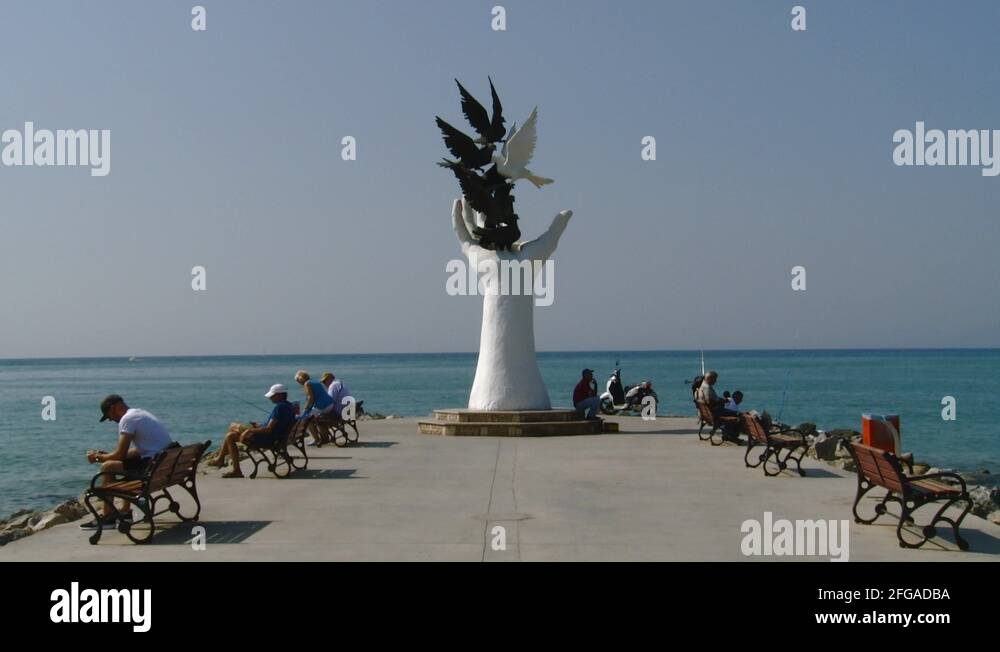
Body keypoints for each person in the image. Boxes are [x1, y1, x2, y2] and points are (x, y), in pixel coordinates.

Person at [80, 394, 177, 530]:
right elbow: (137, 451)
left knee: (107, 467)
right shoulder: (140, 414)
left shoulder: (127, 419)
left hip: (152, 467)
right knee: (128, 463)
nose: (111, 420)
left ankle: (108, 517)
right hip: (164, 464)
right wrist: (108, 455)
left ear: (113, 408)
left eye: (109, 416)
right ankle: (125, 512)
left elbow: (120, 455)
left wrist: (97, 458)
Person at [211, 384, 297, 478]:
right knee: (231, 434)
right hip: (276, 437)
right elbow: (274, 425)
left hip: (266, 439)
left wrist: (249, 430)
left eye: (272, 395)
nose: (270, 398)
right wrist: (259, 425)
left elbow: (268, 429)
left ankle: (229, 465)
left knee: (231, 430)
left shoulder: (279, 407)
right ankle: (223, 460)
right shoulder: (289, 406)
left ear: (280, 395)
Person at [697, 371, 740, 441]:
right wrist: (722, 401)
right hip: (713, 413)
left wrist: (721, 400)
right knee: (736, 414)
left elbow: (712, 399)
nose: (716, 381)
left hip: (707, 413)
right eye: (714, 379)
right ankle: (731, 436)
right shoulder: (707, 388)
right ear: (709, 378)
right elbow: (709, 401)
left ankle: (729, 434)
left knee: (731, 413)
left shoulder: (703, 385)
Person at [295, 370, 335, 444]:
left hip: (323, 407)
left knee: (306, 419)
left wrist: (305, 410)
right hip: (330, 404)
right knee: (313, 416)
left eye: (298, 381)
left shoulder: (307, 384)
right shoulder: (315, 381)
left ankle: (316, 439)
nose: (299, 383)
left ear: (301, 379)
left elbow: (311, 399)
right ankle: (323, 437)